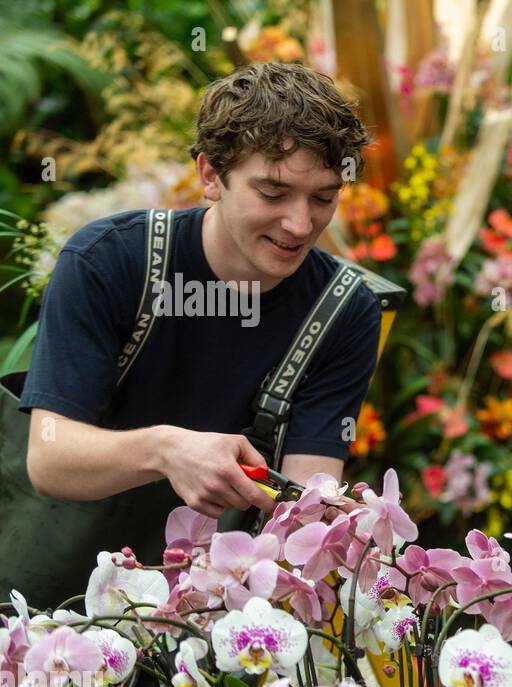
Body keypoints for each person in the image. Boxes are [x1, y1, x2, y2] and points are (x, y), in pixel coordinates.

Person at [5, 63, 380, 604]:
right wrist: (168, 450)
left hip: (199, 618)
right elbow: (49, 459)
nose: (300, 224)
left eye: (323, 197)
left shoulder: (343, 311)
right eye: (273, 192)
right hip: (41, 606)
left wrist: (343, 529)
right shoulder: (110, 261)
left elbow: (303, 509)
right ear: (210, 176)